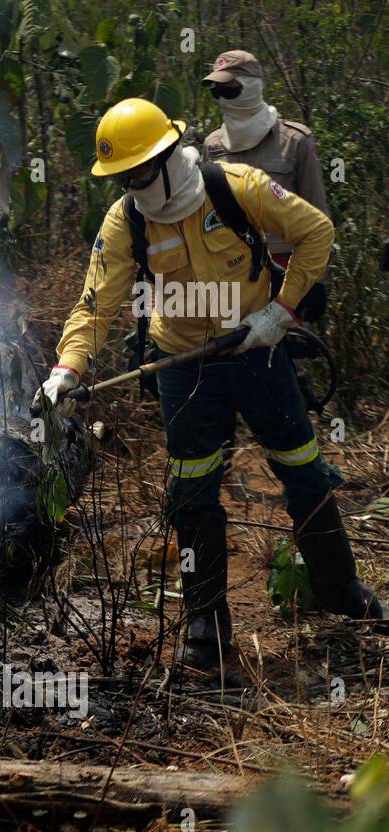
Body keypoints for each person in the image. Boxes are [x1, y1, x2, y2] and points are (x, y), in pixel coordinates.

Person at [34, 98, 384, 674]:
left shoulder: (235, 187)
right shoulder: (127, 221)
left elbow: (316, 232)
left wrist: (280, 314)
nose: (132, 185)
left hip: (257, 354)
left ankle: (341, 591)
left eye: (140, 172)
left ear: (170, 156)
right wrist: (65, 371)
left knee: (303, 470)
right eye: (121, 178)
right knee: (191, 493)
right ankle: (205, 626)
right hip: (182, 368)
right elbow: (95, 305)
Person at [201, 50, 328, 264]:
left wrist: (312, 284)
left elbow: (318, 219)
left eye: (229, 89)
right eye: (217, 91)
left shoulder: (296, 141)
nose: (222, 98)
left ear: (251, 86)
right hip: (230, 267)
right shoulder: (213, 145)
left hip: (285, 265)